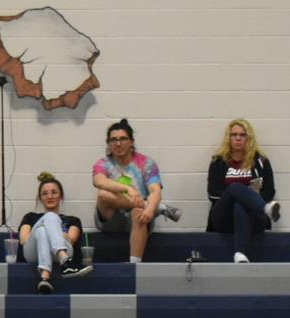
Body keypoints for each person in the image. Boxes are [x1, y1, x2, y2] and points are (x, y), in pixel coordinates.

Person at [92, 118, 180, 263]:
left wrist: (150, 208)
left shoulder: (146, 163)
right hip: (110, 218)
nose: (118, 143)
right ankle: (156, 208)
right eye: (113, 140)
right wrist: (128, 189)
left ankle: (134, 263)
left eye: (123, 139)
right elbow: (98, 181)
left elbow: (155, 191)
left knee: (138, 211)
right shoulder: (103, 164)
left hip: (139, 218)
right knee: (103, 194)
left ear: (131, 142)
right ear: (108, 143)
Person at [206, 118, 281, 264]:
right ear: (229, 138)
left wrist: (246, 199)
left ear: (249, 138)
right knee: (235, 188)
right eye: (234, 135)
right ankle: (266, 209)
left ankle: (240, 254)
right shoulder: (218, 161)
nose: (238, 138)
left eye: (242, 135)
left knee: (240, 205)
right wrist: (239, 194)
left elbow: (270, 191)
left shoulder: (261, 161)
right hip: (223, 217)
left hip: (254, 217)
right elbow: (212, 193)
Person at [19, 172, 87, 294]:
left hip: (65, 249)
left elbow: (71, 239)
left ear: (61, 196)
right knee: (43, 226)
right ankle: (66, 263)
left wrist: (48, 230)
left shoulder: (73, 220)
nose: (49, 196)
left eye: (54, 192)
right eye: (45, 194)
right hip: (34, 252)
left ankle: (45, 278)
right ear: (40, 198)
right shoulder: (30, 217)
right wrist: (56, 232)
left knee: (42, 230)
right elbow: (24, 240)